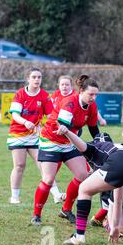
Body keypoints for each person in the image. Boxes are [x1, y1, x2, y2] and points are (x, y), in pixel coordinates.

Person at [31, 75, 101, 226]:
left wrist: (101, 143)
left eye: (96, 95)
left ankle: (66, 209)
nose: (93, 98)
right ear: (81, 91)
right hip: (51, 140)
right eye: (91, 94)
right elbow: (63, 126)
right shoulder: (70, 102)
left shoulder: (92, 106)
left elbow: (94, 129)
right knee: (48, 180)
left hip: (69, 142)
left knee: (83, 175)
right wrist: (66, 129)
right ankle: (36, 215)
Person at [7, 68, 53, 204]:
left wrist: (46, 128)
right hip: (18, 134)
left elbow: (51, 116)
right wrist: (25, 122)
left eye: (39, 77)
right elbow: (15, 114)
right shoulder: (20, 94)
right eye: (34, 77)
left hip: (34, 135)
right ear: (28, 79)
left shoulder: (45, 96)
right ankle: (14, 196)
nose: (37, 80)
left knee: (43, 164)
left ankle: (56, 194)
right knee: (20, 165)